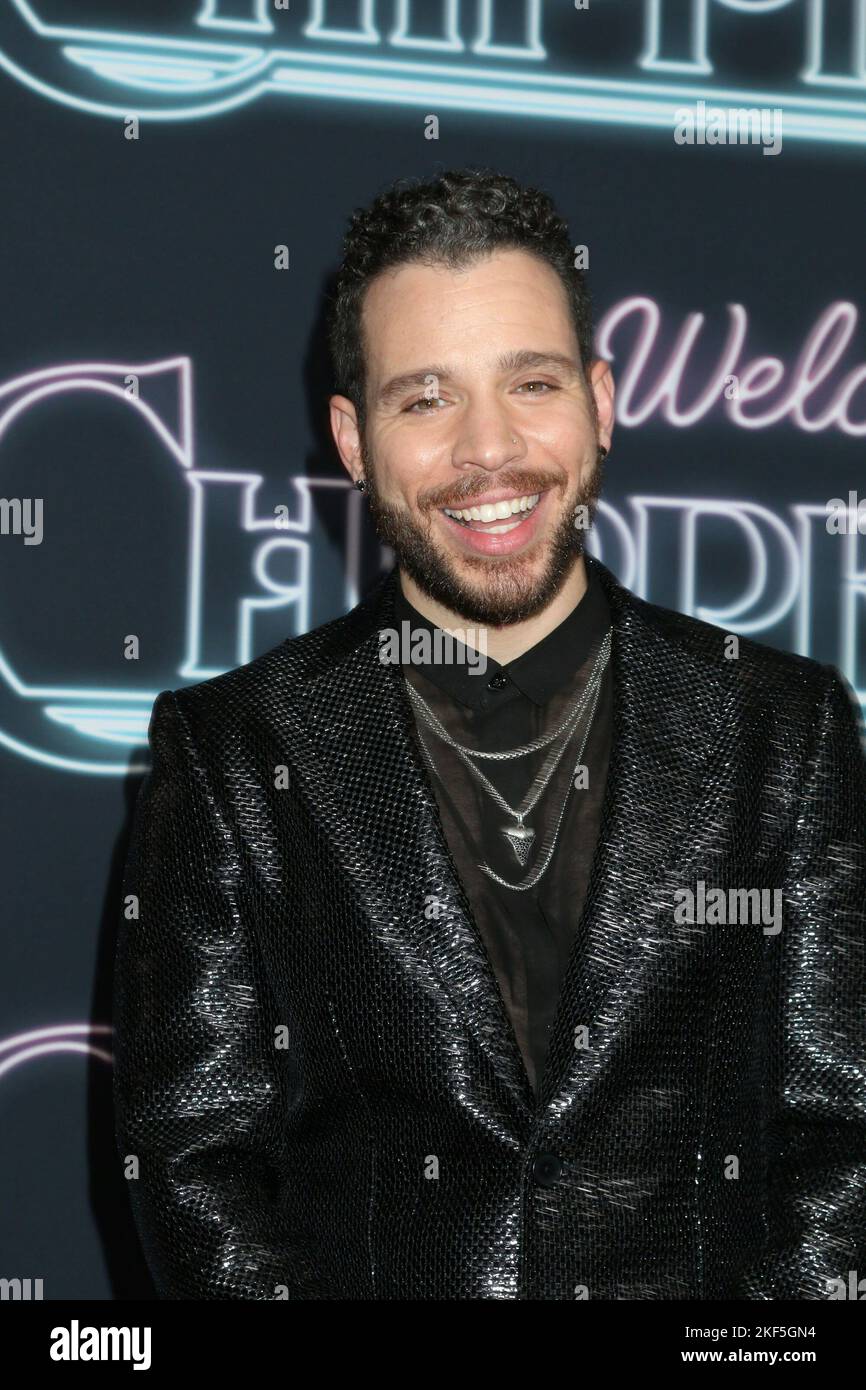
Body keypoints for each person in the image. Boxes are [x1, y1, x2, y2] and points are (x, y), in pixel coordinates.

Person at [113, 167, 866, 1300]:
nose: (489, 450)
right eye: (424, 397)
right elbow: (193, 1158)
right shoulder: (232, 747)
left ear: (600, 401)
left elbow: (842, 1137)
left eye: (531, 383)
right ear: (352, 439)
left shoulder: (782, 726)